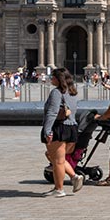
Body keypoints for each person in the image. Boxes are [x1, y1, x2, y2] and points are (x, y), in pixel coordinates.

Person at [41, 68, 83, 197]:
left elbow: (52, 113)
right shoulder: (73, 92)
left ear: (59, 79)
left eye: (53, 77)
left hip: (58, 128)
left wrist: (47, 130)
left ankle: (59, 189)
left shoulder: (56, 93)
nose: (51, 79)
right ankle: (74, 176)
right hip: (71, 127)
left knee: (57, 160)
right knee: (56, 158)